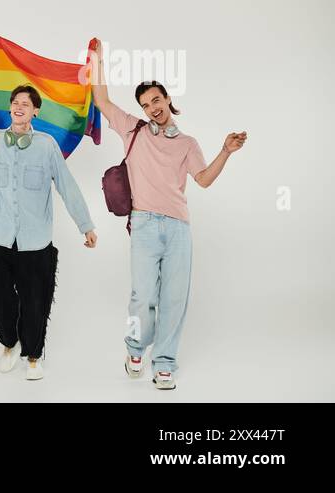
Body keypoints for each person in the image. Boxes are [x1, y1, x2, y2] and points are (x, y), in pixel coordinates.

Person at [90, 39, 247, 390]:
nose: (152, 108)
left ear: (167, 99)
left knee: (174, 299)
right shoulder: (133, 129)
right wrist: (98, 60)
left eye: (156, 100)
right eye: (145, 105)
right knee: (142, 297)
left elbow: (203, 179)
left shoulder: (187, 143)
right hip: (144, 224)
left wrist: (225, 151)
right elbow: (102, 100)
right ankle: (135, 349)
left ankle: (164, 362)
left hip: (178, 228)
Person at [0, 85, 98, 380]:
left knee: (35, 300)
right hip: (1, 237)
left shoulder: (47, 145)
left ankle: (33, 354)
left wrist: (86, 225)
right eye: (15, 102)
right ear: (10, 108)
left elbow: (67, 185)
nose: (19, 107)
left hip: (36, 240)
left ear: (35, 111)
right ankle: (9, 342)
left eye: (26, 104)